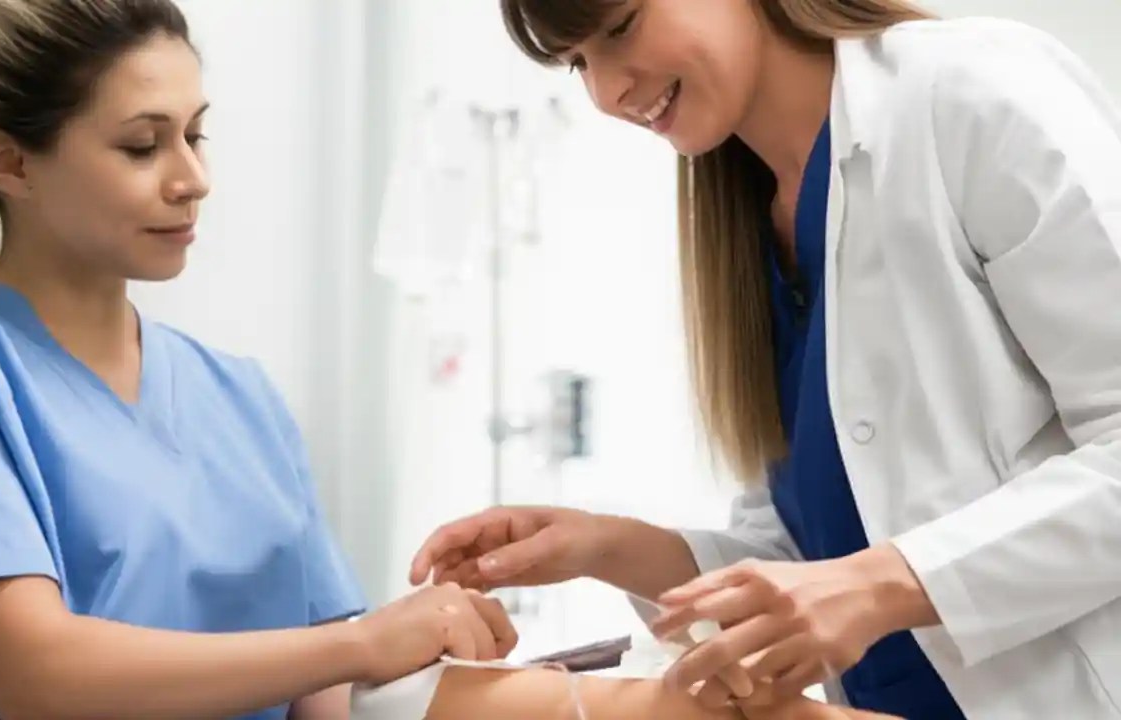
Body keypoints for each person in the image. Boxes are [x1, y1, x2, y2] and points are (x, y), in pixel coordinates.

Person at [0, 2, 904, 719]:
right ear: (7, 160)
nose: (192, 179)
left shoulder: (233, 397)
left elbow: (320, 706)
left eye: (198, 136)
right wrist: (363, 645)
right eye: (141, 144)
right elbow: (35, 677)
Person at [411, 0, 1121, 719]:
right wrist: (601, 546)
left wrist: (884, 584)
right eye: (578, 64)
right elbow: (807, 560)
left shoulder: (968, 93)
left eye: (621, 28)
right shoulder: (750, 221)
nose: (606, 93)